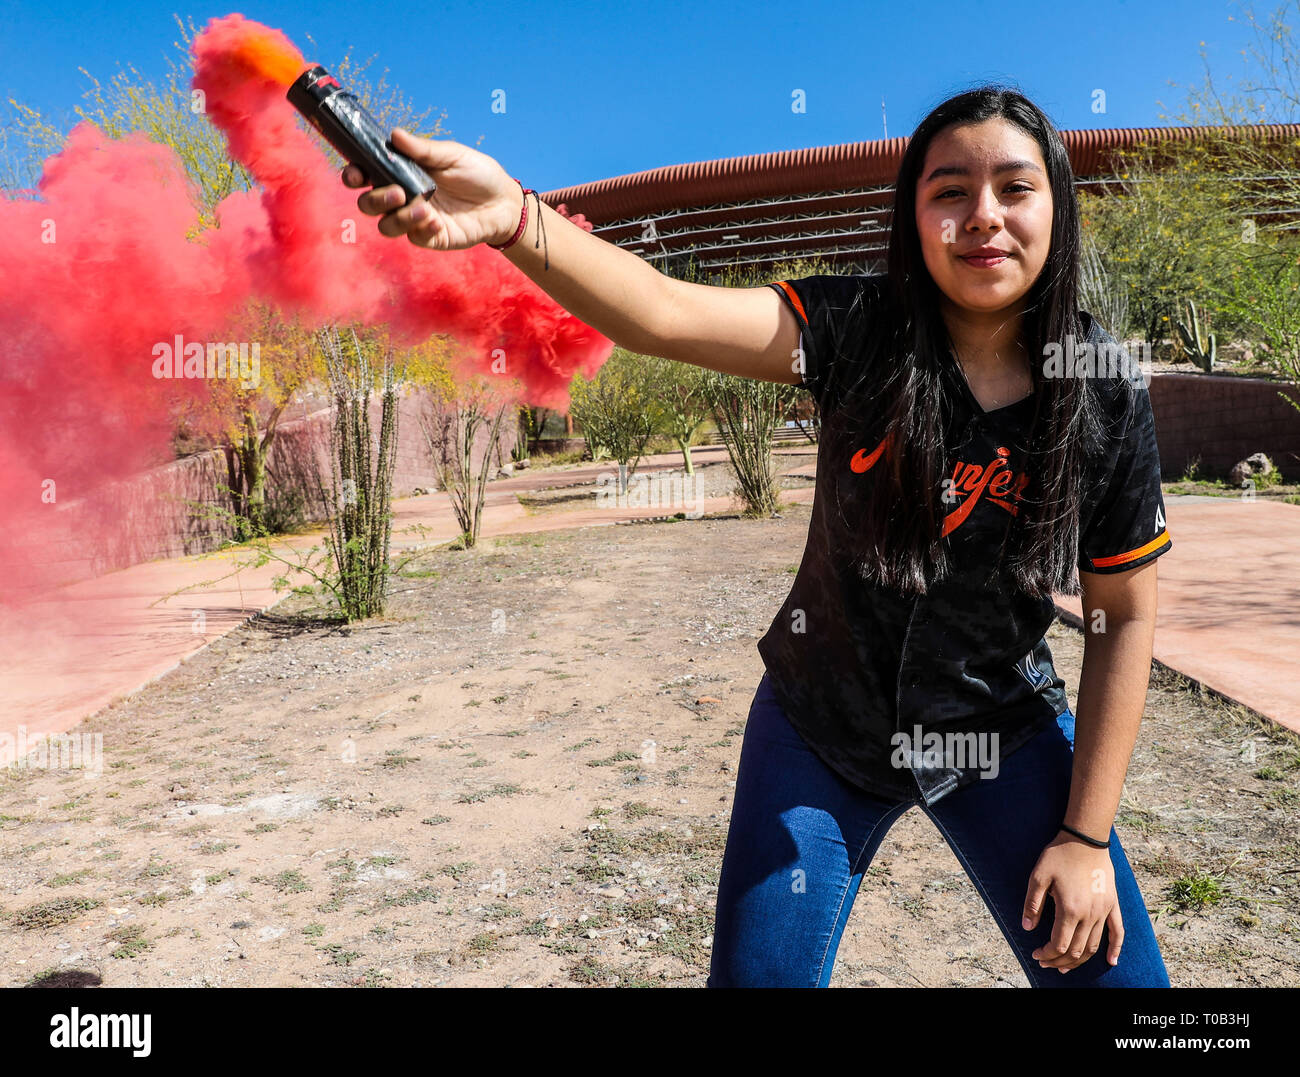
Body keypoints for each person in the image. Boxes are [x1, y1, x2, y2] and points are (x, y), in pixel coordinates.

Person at [342, 83, 1173, 988]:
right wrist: (516, 220)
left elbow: (1122, 615)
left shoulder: (1101, 388)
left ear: (1056, 206)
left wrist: (1085, 835)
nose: (983, 218)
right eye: (948, 191)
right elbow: (662, 312)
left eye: (1015, 188)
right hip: (818, 729)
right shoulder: (857, 329)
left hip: (997, 732)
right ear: (912, 214)